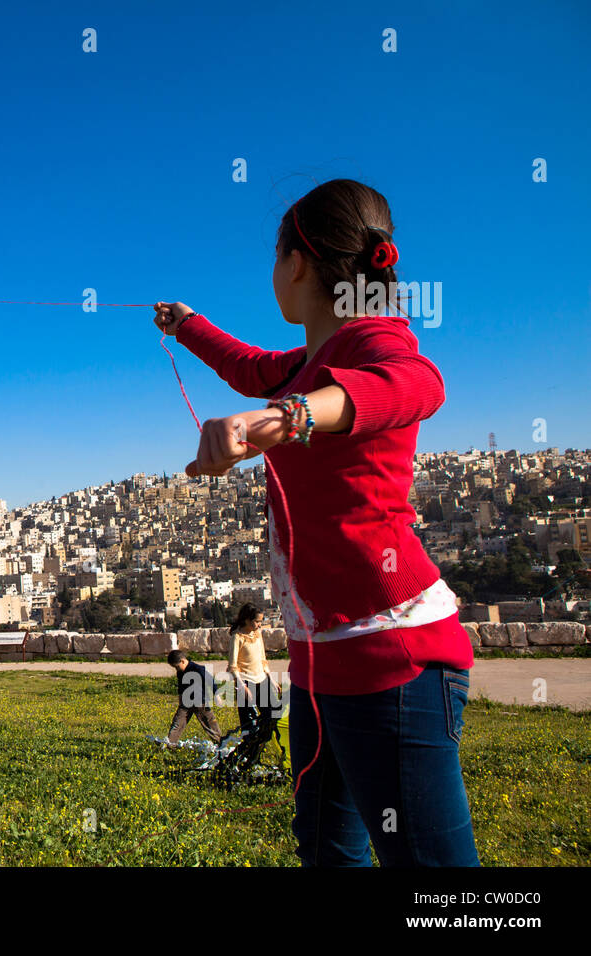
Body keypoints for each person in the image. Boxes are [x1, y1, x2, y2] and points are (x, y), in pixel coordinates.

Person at [154, 178, 478, 867]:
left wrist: (291, 418)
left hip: (393, 658)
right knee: (328, 853)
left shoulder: (377, 343)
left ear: (295, 263)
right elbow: (249, 367)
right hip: (319, 664)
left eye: (275, 259)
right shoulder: (307, 364)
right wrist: (187, 323)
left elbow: (419, 386)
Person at [226, 603, 279, 734]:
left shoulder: (257, 634)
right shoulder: (237, 637)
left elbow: (262, 658)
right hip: (246, 682)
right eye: (257, 621)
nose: (260, 624)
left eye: (261, 621)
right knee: (249, 723)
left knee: (271, 715)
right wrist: (242, 686)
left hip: (262, 680)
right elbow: (233, 665)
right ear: (247, 620)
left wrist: (271, 679)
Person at [165, 649, 223, 745]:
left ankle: (220, 743)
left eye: (177, 666)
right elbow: (181, 687)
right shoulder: (180, 672)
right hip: (185, 703)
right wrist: (180, 698)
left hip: (200, 702)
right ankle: (170, 744)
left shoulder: (198, 669)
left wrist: (217, 694)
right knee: (178, 722)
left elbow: (210, 680)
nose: (176, 669)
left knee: (210, 724)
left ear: (183, 661)